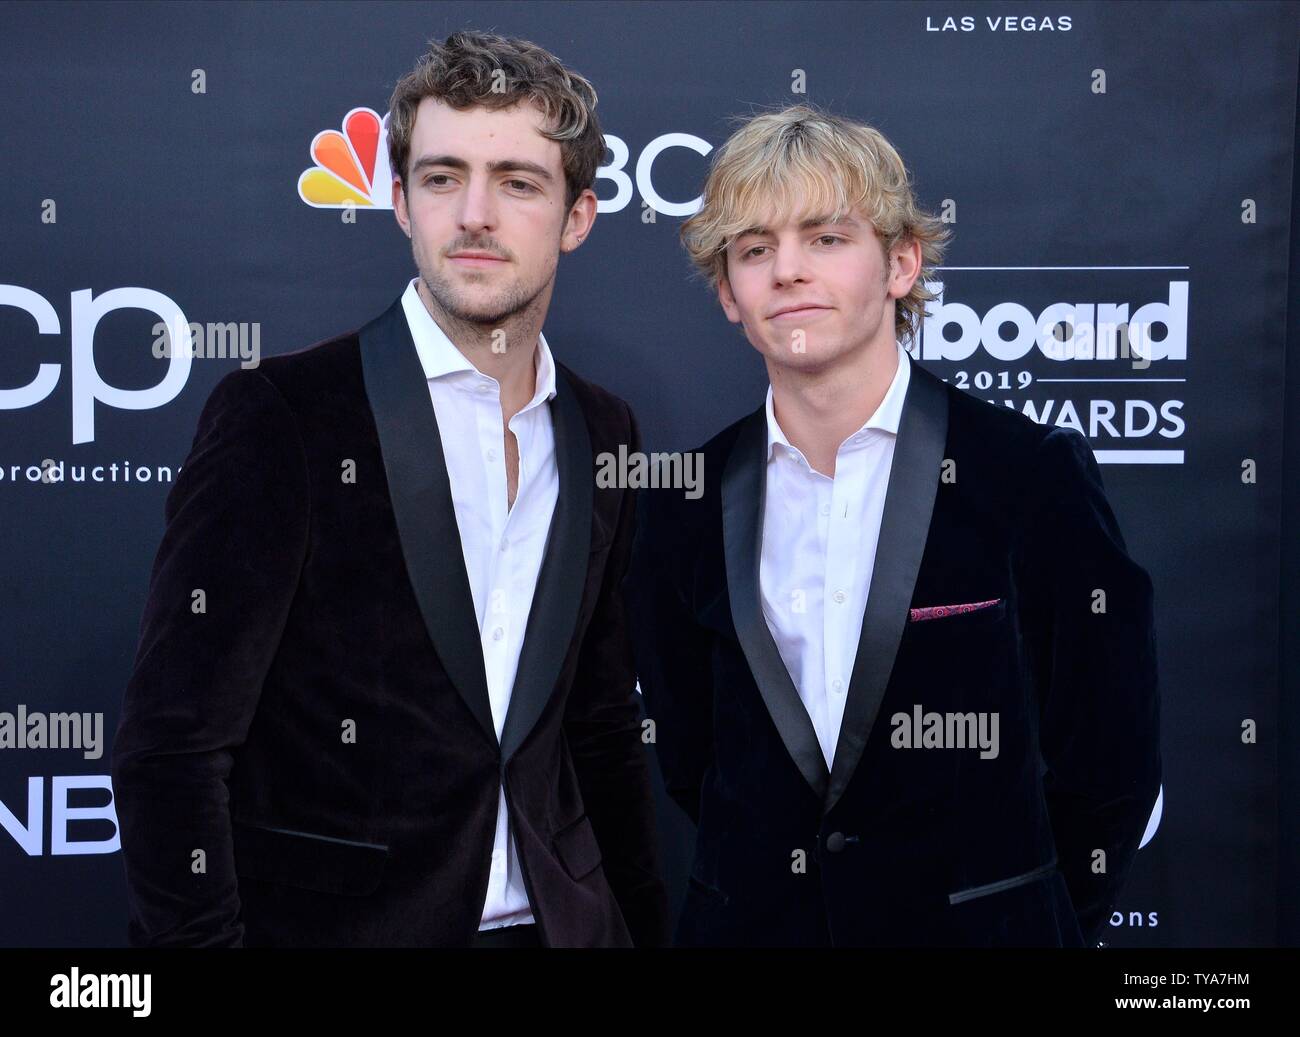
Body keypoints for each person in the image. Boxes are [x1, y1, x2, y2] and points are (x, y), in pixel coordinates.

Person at [111, 30, 668, 949]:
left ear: (578, 217)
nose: (475, 214)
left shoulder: (602, 429)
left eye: (519, 182)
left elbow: (601, 725)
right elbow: (171, 747)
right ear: (401, 202)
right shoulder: (283, 415)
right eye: (443, 178)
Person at [626, 103, 1160, 947]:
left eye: (826, 238)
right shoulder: (679, 502)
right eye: (755, 249)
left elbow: (1111, 760)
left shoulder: (1028, 475)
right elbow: (694, 763)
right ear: (728, 292)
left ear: (902, 263)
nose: (788, 271)